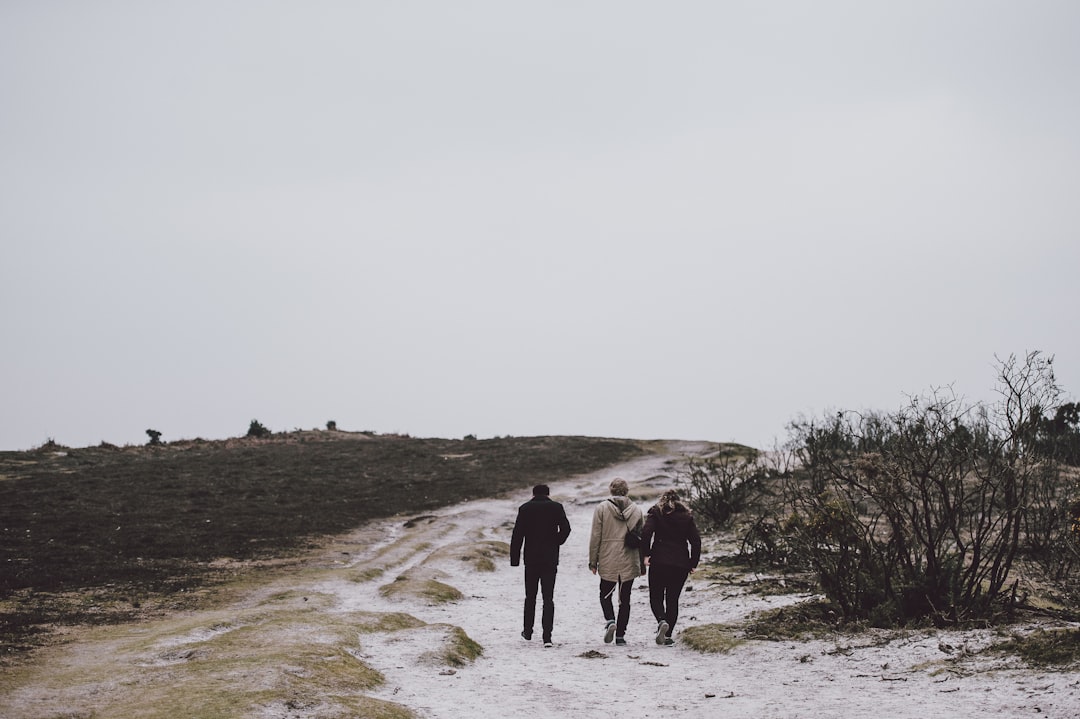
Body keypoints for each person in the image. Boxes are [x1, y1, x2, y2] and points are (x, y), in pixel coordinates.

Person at [510, 484, 571, 648]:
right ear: (548, 493)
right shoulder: (556, 507)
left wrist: (514, 558)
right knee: (548, 598)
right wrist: (556, 542)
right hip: (550, 558)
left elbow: (517, 534)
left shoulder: (525, 508)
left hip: (531, 558)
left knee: (530, 596)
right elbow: (566, 529)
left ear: (533, 494)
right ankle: (547, 637)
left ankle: (528, 631)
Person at [641, 488, 701, 646]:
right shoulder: (687, 516)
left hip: (659, 561)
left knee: (656, 597)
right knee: (673, 599)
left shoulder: (656, 513)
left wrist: (646, 555)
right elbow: (696, 541)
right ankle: (667, 635)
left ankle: (661, 621)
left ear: (662, 499)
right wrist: (693, 563)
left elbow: (646, 533)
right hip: (680, 563)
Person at [588, 477, 644, 646]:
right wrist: (641, 564)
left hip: (608, 557)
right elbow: (641, 538)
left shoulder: (602, 508)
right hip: (629, 558)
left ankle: (610, 620)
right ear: (626, 491)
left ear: (611, 490)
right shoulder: (637, 510)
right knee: (625, 599)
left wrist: (593, 561)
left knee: (605, 594)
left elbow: (595, 536)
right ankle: (620, 635)